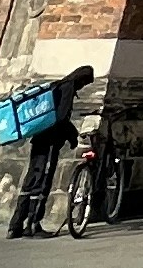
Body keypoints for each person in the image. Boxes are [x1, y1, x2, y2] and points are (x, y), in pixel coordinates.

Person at [5, 63, 93, 237]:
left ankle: (15, 225)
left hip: (39, 139)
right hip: (51, 141)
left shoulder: (56, 86)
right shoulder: (67, 88)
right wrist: (72, 135)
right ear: (81, 79)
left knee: (30, 180)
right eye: (85, 83)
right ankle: (33, 224)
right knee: (42, 181)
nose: (83, 87)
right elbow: (60, 118)